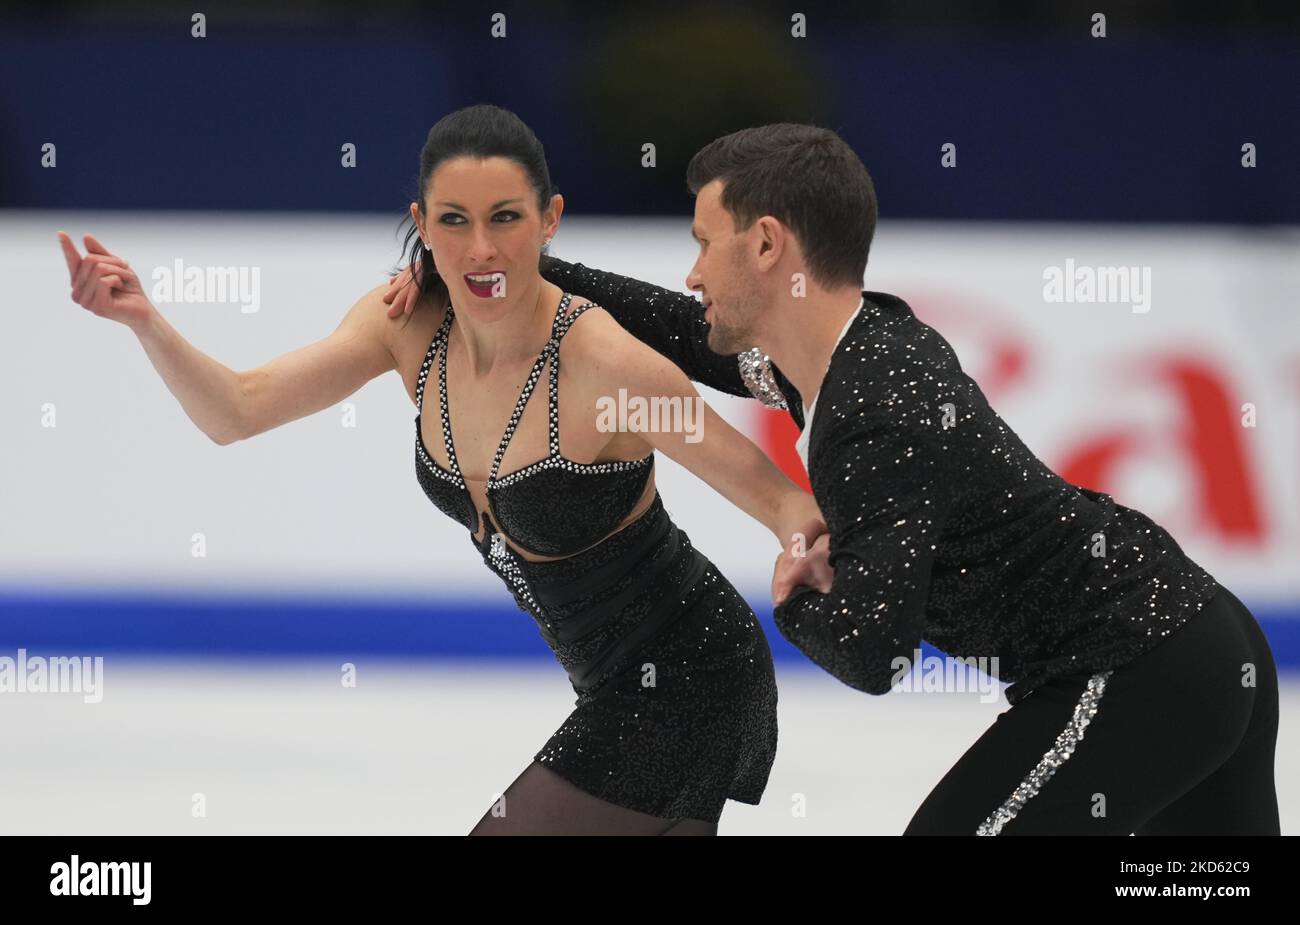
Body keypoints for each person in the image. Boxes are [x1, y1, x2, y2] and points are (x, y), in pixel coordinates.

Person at [386, 122, 1281, 836]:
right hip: (1205, 641)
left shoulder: (873, 409)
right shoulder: (837, 354)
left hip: (1133, 665)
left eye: (706, 243)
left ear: (768, 245)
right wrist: (498, 272)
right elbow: (683, 331)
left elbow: (873, 652)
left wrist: (797, 593)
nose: (693, 273)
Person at [55, 104, 834, 836]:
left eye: (506, 218)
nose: (481, 250)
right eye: (454, 221)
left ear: (549, 220)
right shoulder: (405, 329)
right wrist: (145, 321)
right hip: (608, 690)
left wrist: (814, 545)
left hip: (688, 675)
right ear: (421, 224)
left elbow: (778, 500)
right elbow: (239, 409)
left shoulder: (605, 368)